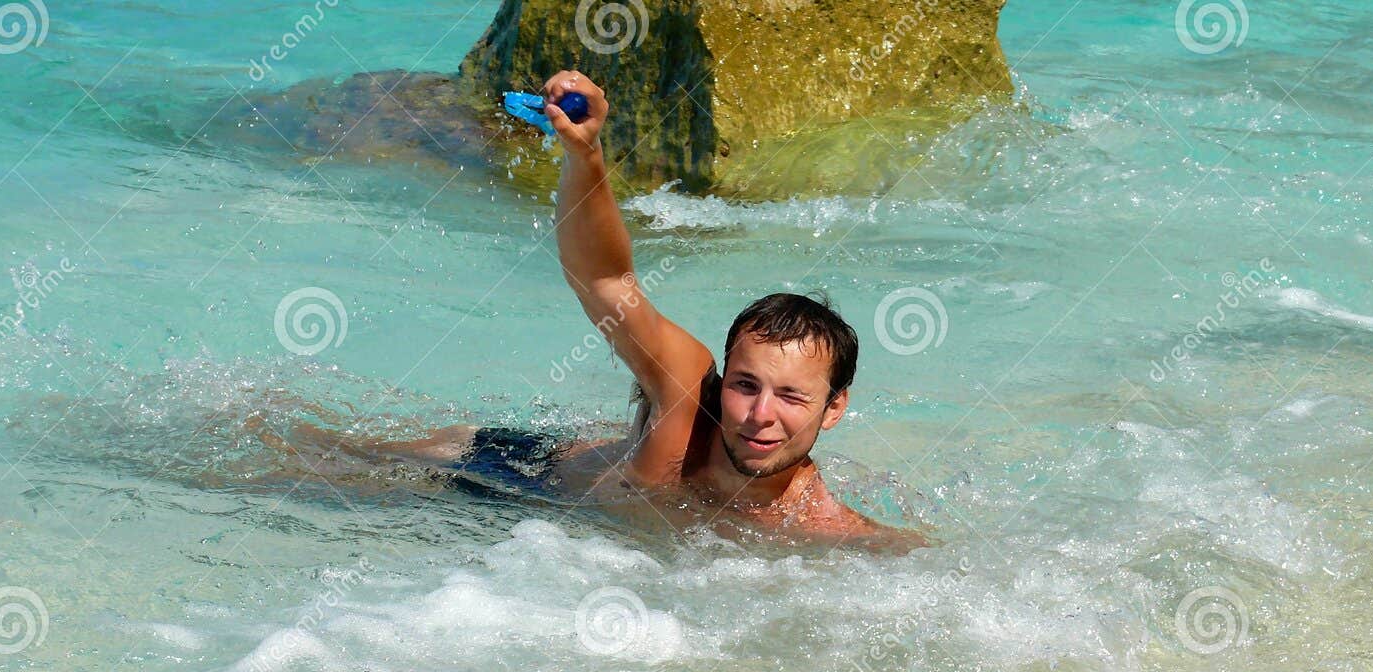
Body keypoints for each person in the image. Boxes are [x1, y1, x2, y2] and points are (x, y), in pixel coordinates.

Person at [299, 71, 922, 549]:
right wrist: (585, 154)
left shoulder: (823, 531)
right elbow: (603, 279)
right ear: (723, 377)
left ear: (835, 407)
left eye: (792, 396)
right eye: (746, 385)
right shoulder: (687, 400)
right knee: (279, 468)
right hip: (500, 472)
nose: (759, 416)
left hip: (535, 544)